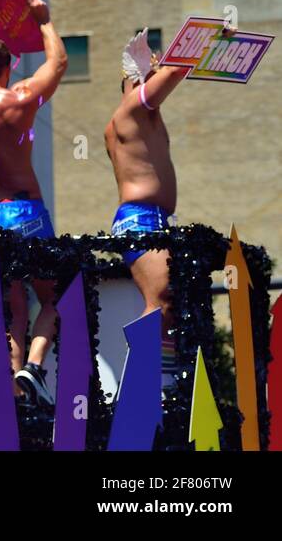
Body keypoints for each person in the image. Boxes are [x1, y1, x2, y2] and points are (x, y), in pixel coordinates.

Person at [0, 0, 68, 405]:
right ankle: (35, 366)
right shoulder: (19, 99)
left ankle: (11, 390)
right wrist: (43, 20)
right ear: (8, 67)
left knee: (11, 310)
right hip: (25, 211)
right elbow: (58, 63)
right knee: (54, 299)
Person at [105, 29, 191, 388]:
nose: (158, 73)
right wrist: (211, 39)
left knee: (170, 302)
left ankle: (161, 381)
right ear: (138, 76)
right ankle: (145, 385)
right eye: (151, 69)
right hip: (138, 220)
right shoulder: (130, 110)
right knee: (162, 297)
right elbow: (174, 73)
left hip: (158, 220)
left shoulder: (149, 116)